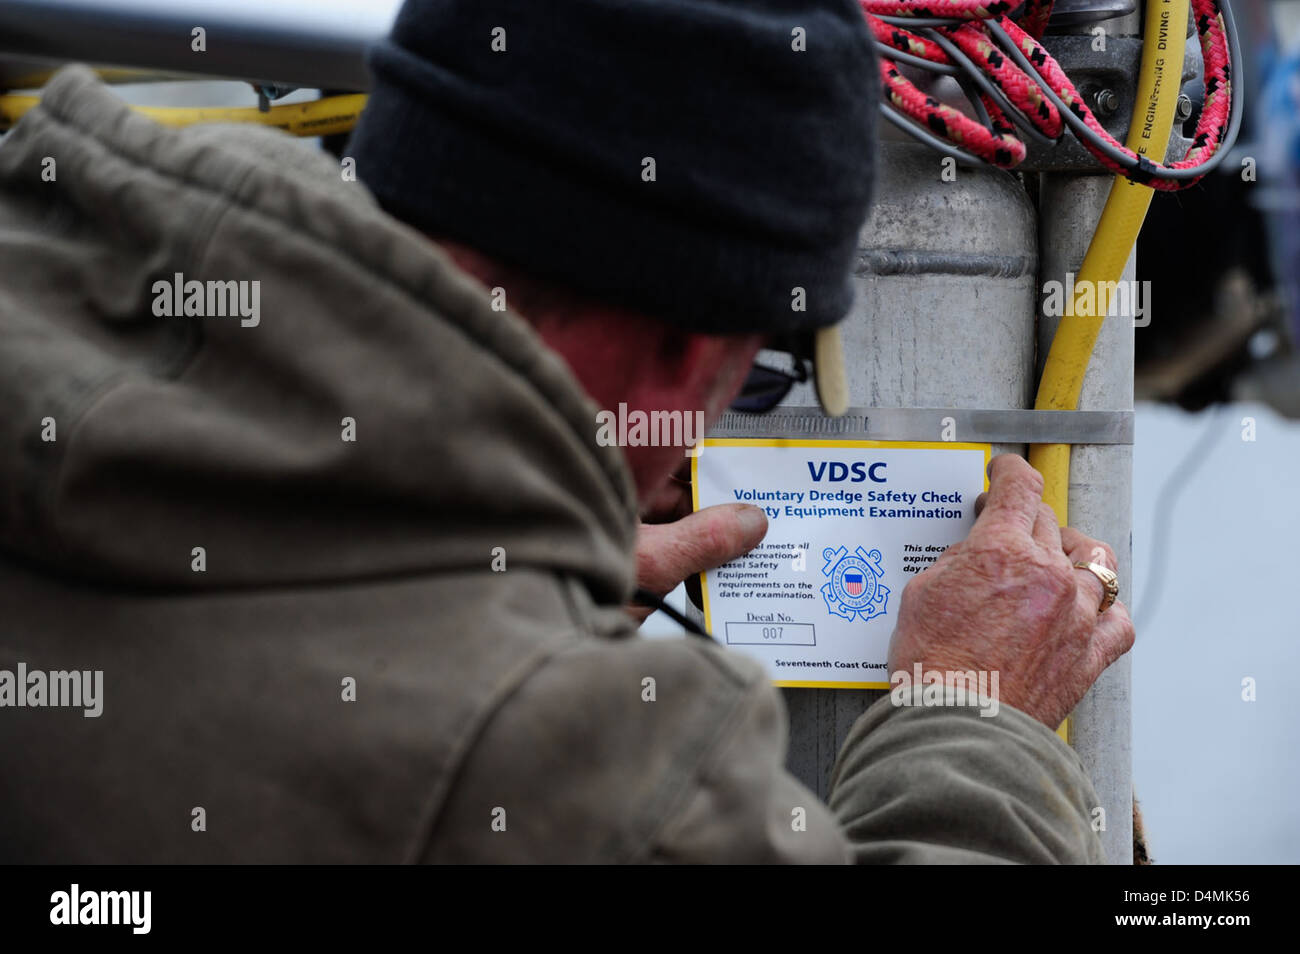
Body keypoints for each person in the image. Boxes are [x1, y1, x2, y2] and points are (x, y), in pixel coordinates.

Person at [0, 0, 1133, 863]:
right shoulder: (598, 782)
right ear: (684, 353)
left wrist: (485, 575)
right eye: (758, 380)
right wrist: (969, 724)